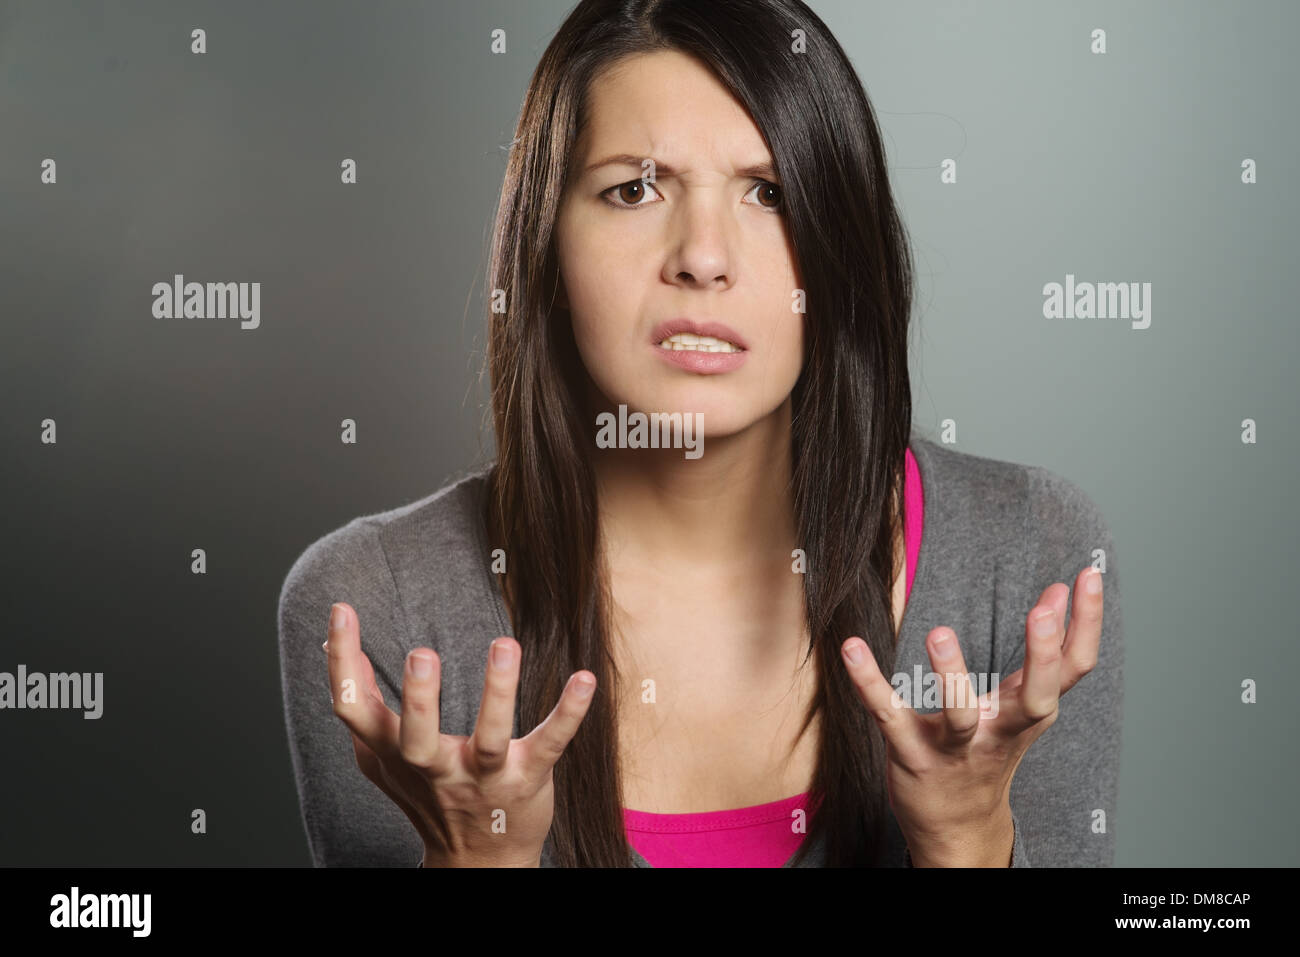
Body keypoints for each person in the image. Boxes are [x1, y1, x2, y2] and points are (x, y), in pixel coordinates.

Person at [277, 0, 1124, 868]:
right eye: (634, 189)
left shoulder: (1027, 557)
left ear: (841, 245)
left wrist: (967, 839)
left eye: (770, 193)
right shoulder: (374, 607)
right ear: (549, 248)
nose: (704, 256)